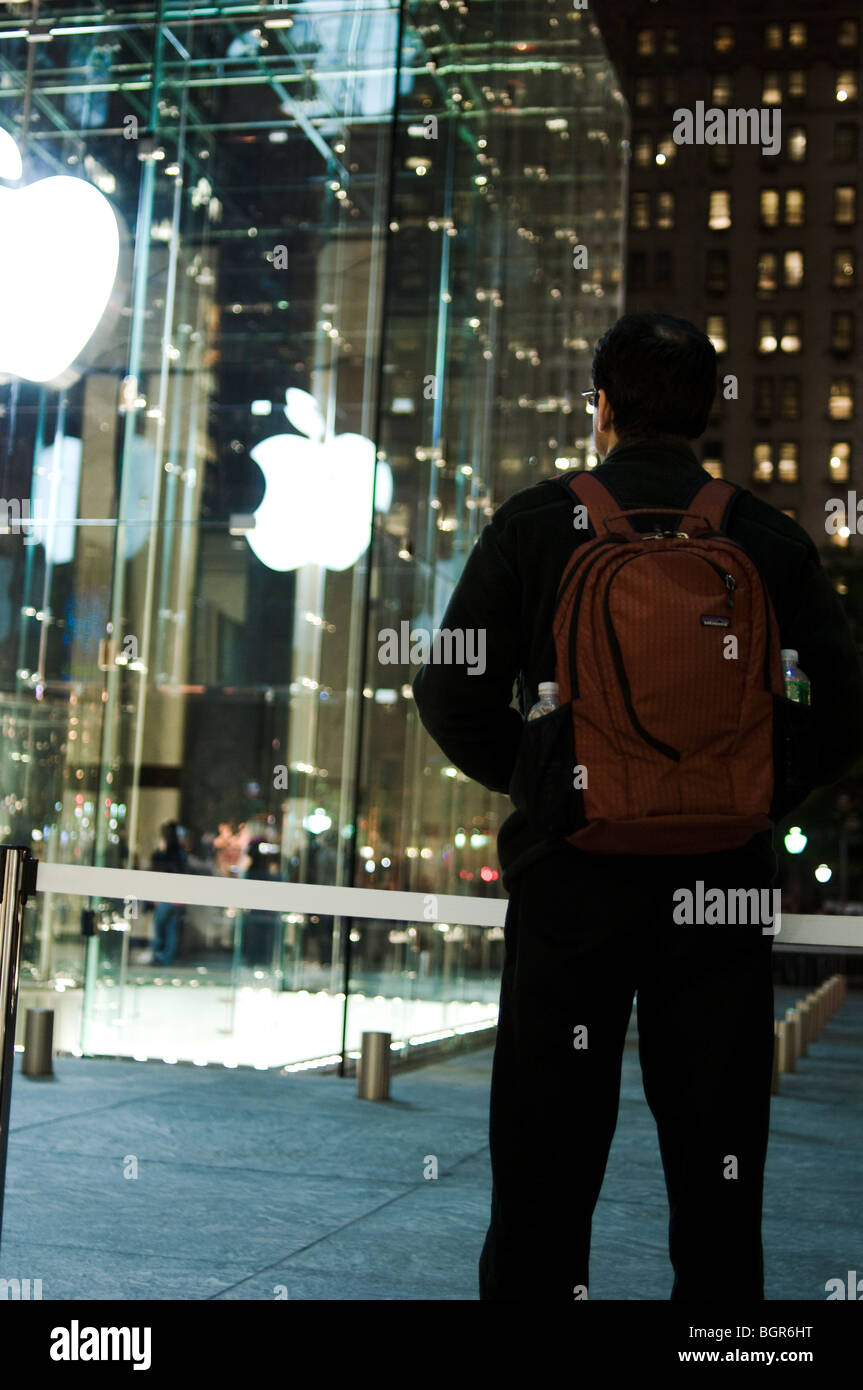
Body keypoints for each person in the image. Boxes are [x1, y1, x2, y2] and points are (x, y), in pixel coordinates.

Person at [411, 312, 863, 1301]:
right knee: (715, 1164)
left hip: (572, 879)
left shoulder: (537, 522)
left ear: (600, 407)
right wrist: (753, 787)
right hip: (721, 888)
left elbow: (448, 688)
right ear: (707, 411)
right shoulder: (765, 536)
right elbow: (842, 706)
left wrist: (551, 785)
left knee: (544, 1154)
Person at [149, 821, 188, 966]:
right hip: (176, 897)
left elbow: (165, 870)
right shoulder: (179, 851)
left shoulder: (169, 852)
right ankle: (166, 960)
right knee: (171, 929)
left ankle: (160, 958)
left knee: (161, 928)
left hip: (168, 895)